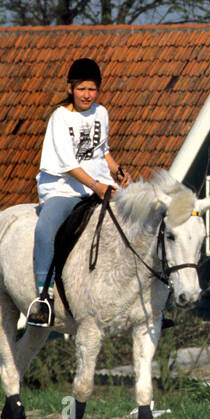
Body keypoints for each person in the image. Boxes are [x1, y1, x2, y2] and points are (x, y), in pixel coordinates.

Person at [26, 58, 132, 327]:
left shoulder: (101, 113)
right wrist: (97, 187)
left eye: (92, 89)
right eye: (82, 88)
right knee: (45, 229)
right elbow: (68, 164)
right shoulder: (60, 118)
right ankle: (43, 297)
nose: (87, 94)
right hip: (64, 187)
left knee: (138, 218)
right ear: (70, 88)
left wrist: (117, 170)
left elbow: (102, 151)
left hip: (100, 182)